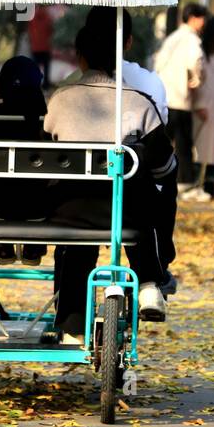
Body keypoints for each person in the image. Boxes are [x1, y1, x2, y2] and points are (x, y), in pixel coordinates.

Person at [43, 21, 177, 342]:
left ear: (80, 58)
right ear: (120, 53)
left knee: (79, 233)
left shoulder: (60, 100)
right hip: (125, 215)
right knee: (147, 187)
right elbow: (164, 169)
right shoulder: (139, 102)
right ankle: (150, 281)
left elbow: (44, 157)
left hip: (69, 213)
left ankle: (72, 322)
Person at [0, 55, 49, 266]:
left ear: (1, 88)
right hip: (40, 206)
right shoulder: (46, 122)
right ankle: (35, 242)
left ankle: (0, 242)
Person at [153, 2, 207, 192]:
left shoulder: (173, 38)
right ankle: (185, 183)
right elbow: (196, 60)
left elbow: (157, 63)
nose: (203, 23)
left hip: (165, 97)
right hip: (180, 98)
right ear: (194, 18)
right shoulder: (192, 40)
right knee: (184, 144)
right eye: (201, 18)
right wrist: (196, 80)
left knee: (164, 143)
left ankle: (158, 179)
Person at [85, 5, 168, 122]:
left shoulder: (66, 92)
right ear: (129, 42)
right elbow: (161, 124)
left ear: (85, 42)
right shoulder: (153, 83)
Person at [192, 14, 214, 200]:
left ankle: (211, 183)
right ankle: (194, 185)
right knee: (200, 150)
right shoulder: (200, 52)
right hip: (203, 110)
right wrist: (198, 105)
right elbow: (196, 81)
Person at [28, 5, 54, 87]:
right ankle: (46, 85)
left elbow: (30, 31)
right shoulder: (48, 18)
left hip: (36, 47)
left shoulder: (32, 18)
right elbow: (51, 31)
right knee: (46, 67)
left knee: (35, 68)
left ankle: (35, 84)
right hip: (45, 47)